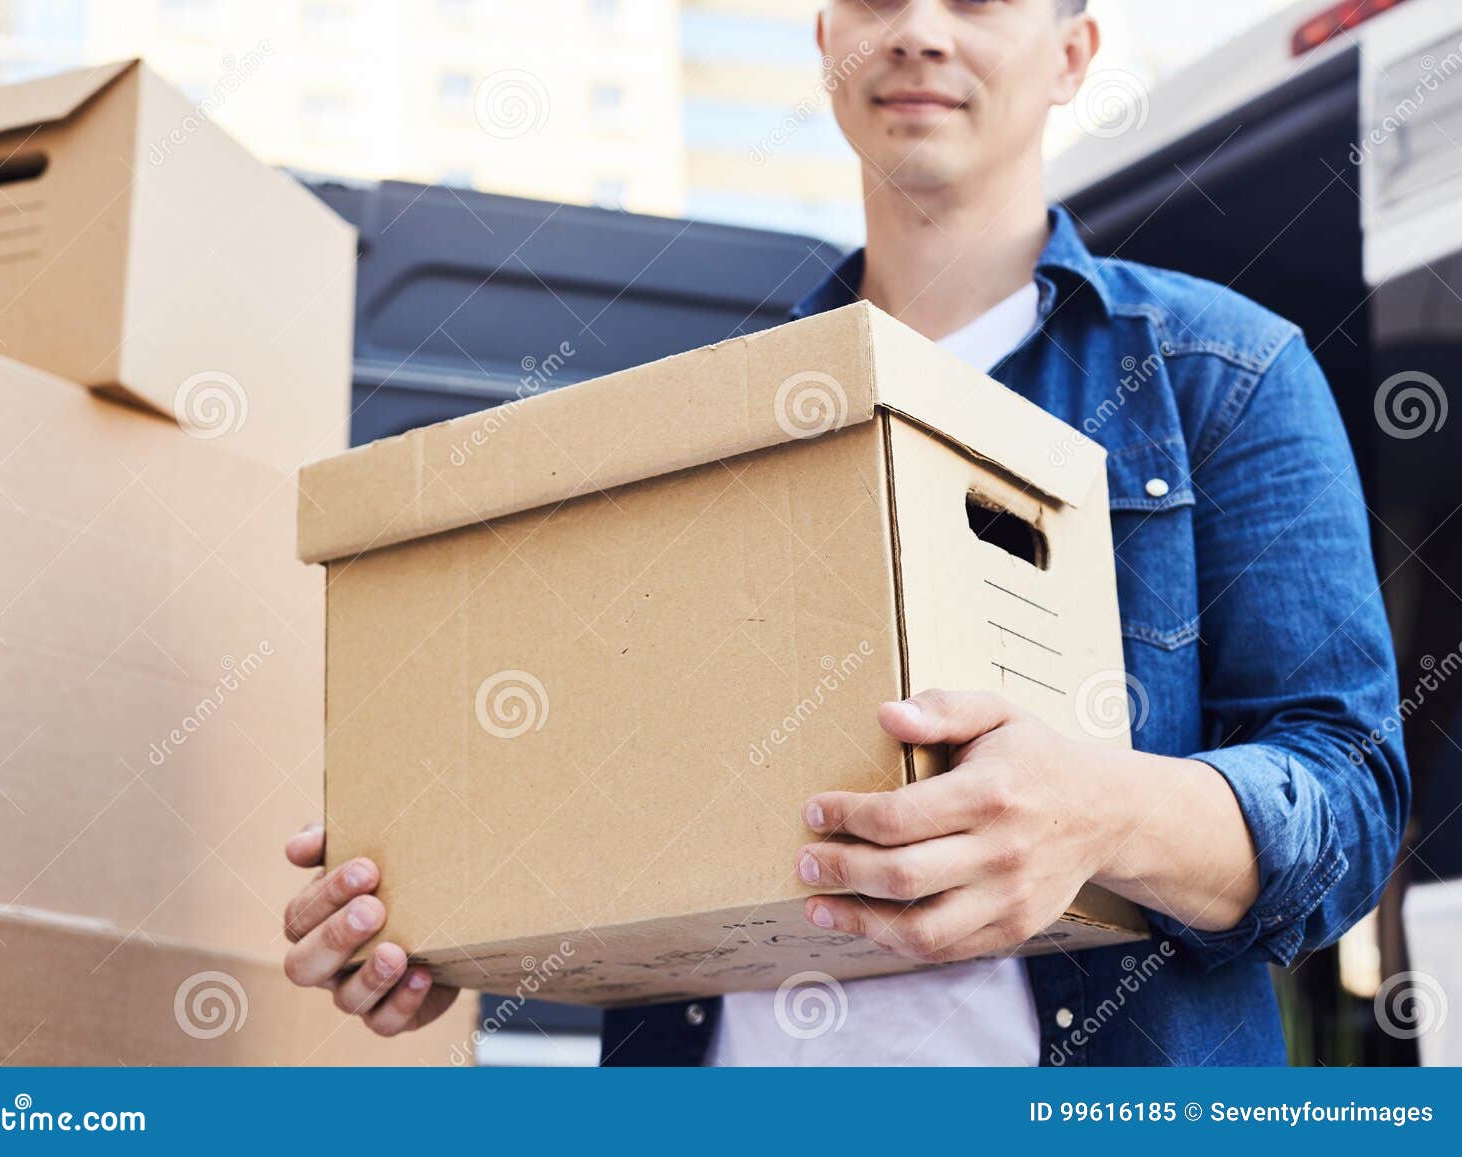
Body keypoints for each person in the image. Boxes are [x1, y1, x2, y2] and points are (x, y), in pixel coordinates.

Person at [280, 0, 1409, 1066]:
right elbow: (623, 816)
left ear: (1072, 55)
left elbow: (1349, 801)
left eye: (975, 1)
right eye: (874, 0)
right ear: (825, 42)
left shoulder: (1222, 375)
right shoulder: (695, 420)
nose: (916, 32)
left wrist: (1105, 814)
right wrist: (444, 916)